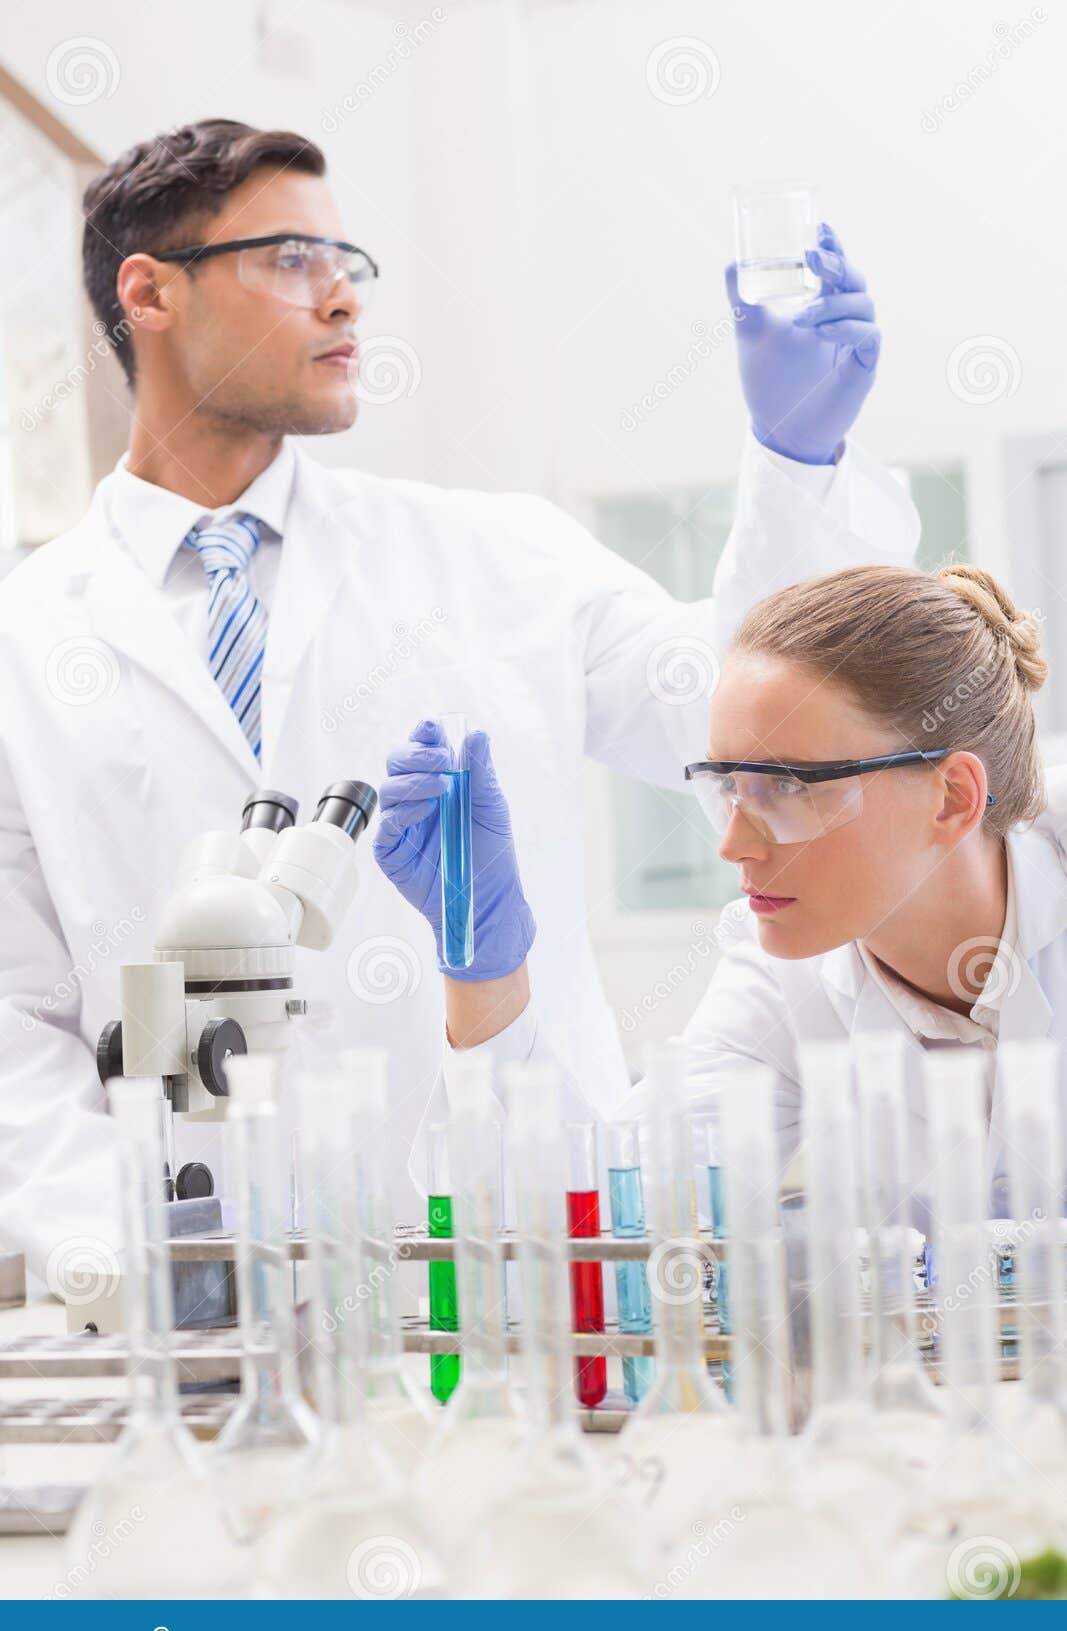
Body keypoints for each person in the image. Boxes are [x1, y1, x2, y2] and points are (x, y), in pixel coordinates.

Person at [0, 116, 915, 1284]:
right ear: (150, 293)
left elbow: (737, 719)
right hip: (205, 1300)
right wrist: (116, 1256)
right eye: (292, 260)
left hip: (514, 1257)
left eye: (350, 266)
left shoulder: (500, 554)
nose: (342, 300)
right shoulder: (28, 638)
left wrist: (793, 462)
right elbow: (16, 1017)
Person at [378, 563, 1062, 1193]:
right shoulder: (783, 981)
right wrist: (484, 973)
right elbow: (617, 1217)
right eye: (729, 788)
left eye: (788, 787)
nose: (732, 845)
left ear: (950, 799)